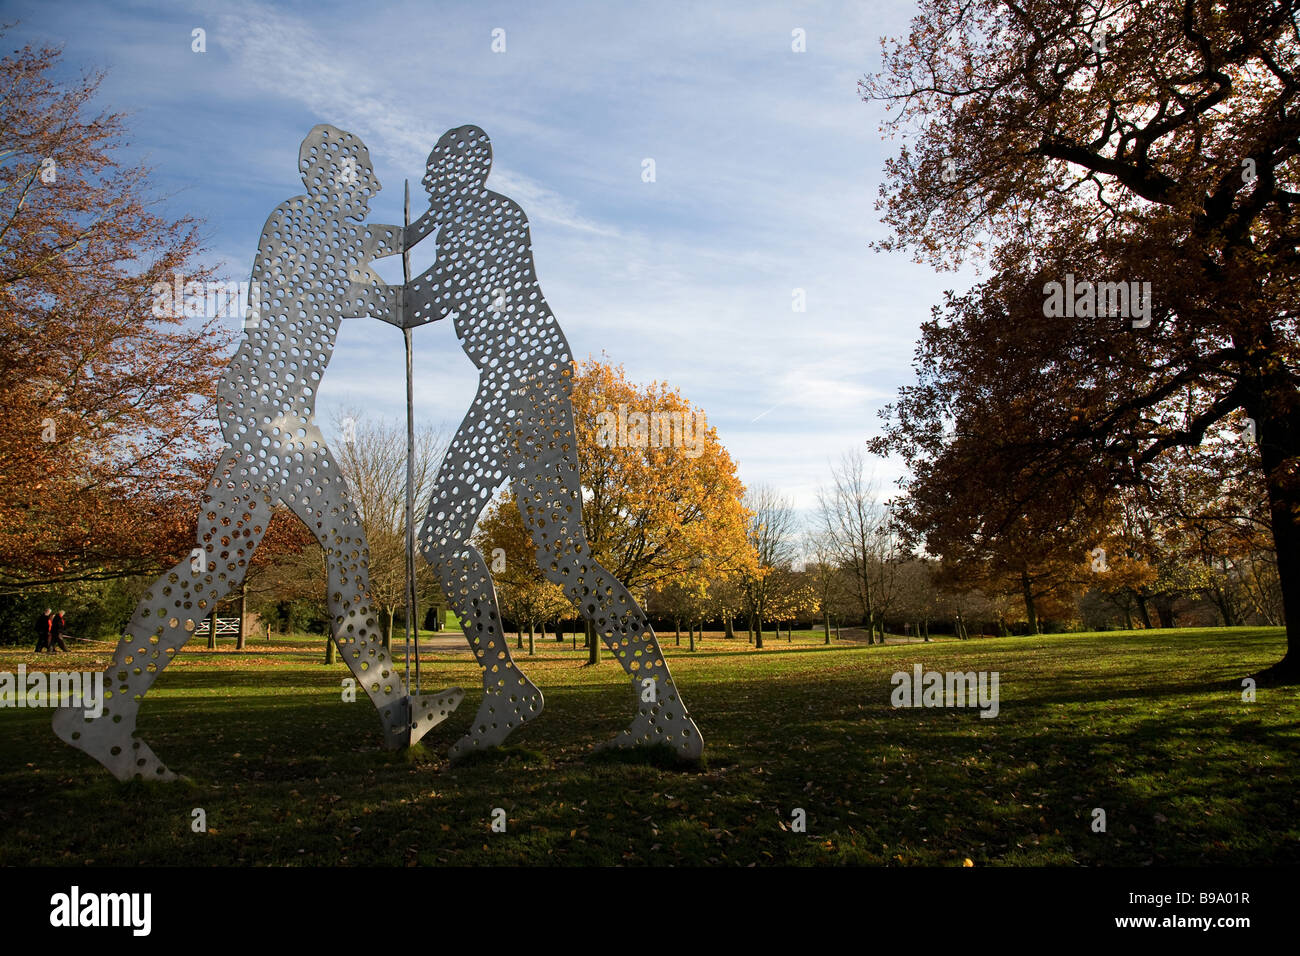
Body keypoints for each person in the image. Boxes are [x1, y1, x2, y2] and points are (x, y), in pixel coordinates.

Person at [53, 125, 458, 782]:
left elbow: (395, 278)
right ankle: (394, 708)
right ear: (327, 175)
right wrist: (444, 243)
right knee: (346, 543)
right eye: (365, 174)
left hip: (266, 413)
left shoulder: (321, 244)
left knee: (213, 570)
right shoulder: (303, 228)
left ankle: (106, 716)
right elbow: (390, 279)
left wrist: (439, 244)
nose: (377, 187)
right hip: (270, 416)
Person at [402, 125, 703, 760]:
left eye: (436, 169)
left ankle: (642, 710)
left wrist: (344, 290)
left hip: (525, 387)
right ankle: (525, 689)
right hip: (513, 386)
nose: (427, 181)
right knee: (490, 544)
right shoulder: (464, 219)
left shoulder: (489, 219)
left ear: (463, 173)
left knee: (554, 559)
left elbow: (422, 299)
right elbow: (419, 291)